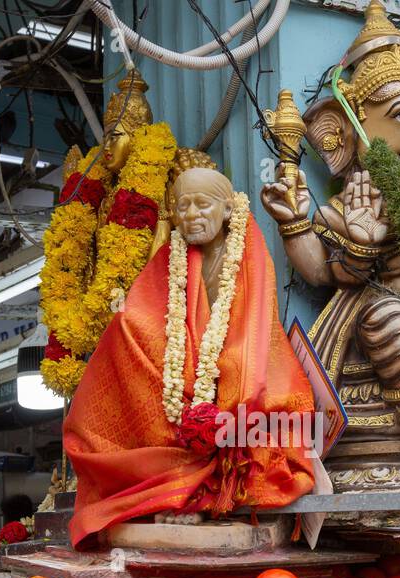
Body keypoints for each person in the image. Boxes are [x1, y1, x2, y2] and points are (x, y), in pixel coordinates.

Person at [64, 167, 316, 547]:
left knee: (268, 406)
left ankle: (198, 490)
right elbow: (141, 314)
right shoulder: (172, 256)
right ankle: (174, 488)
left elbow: (256, 329)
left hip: (236, 383)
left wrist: (225, 391)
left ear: (228, 210)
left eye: (202, 205)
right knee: (126, 338)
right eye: (182, 207)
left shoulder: (246, 250)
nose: (191, 215)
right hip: (178, 386)